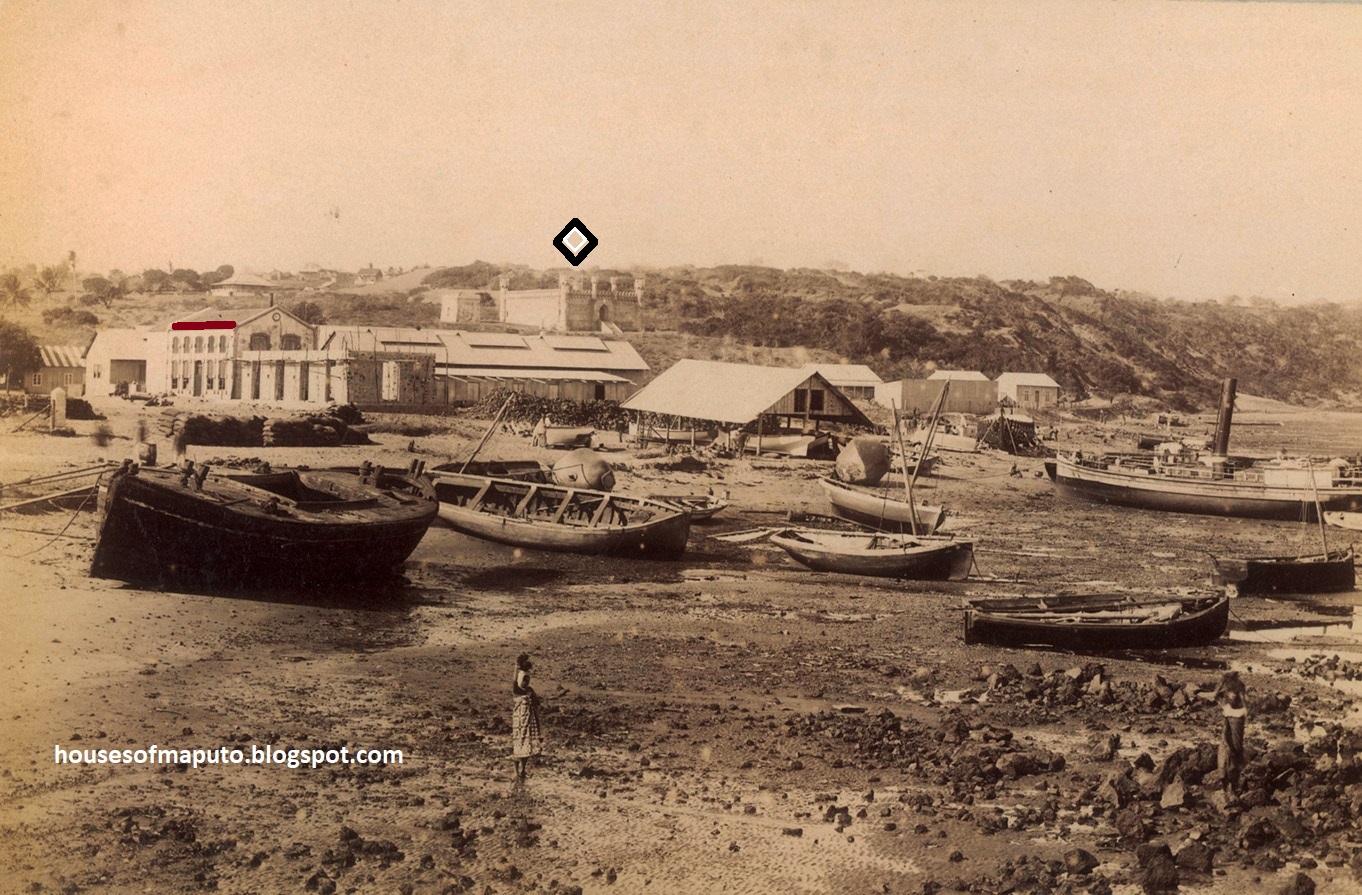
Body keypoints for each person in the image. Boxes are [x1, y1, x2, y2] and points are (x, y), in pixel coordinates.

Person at [1212, 671, 1248, 797]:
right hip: (1237, 718)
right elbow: (1245, 703)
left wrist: (1224, 706)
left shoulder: (1225, 685)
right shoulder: (1239, 686)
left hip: (1229, 716)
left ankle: (1226, 781)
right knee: (1235, 747)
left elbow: (1215, 696)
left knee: (1227, 745)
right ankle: (1232, 783)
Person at [511, 653, 542, 780]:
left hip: (526, 719)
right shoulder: (523, 691)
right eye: (524, 679)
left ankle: (521, 770)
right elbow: (515, 688)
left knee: (525, 743)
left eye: (527, 679)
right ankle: (517, 771)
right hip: (521, 720)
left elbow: (537, 703)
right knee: (520, 743)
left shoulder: (527, 691)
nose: (526, 681)